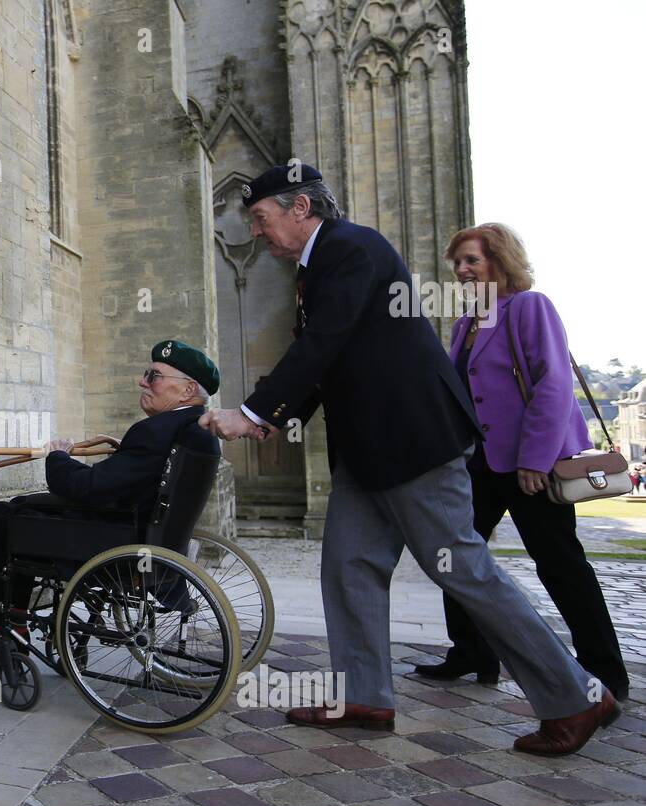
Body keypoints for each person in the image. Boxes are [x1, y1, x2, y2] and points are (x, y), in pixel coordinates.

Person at [201, 163, 619, 756]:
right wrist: (274, 417)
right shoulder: (320, 264)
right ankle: (363, 694)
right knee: (348, 566)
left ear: (300, 208)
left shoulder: (351, 246)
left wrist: (251, 411)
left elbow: (323, 344)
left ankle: (576, 696)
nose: (259, 233)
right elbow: (328, 360)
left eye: (263, 219)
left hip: (414, 442)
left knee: (462, 569)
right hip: (369, 452)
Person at [413, 224, 630, 700]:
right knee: (454, 556)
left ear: (500, 260)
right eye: (458, 263)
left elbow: (552, 385)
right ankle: (471, 653)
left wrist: (534, 458)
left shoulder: (530, 307)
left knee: (560, 564)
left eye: (471, 260)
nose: (462, 270)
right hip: (480, 466)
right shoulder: (466, 324)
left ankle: (607, 671)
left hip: (531, 463)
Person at [0, 340, 220, 663]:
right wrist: (125, 454)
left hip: (114, 541)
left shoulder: (155, 432)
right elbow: (129, 476)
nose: (142, 381)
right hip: (141, 535)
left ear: (187, 390)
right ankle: (8, 627)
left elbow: (87, 487)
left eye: (154, 375)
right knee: (23, 509)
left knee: (2, 516)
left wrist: (58, 457)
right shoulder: (191, 428)